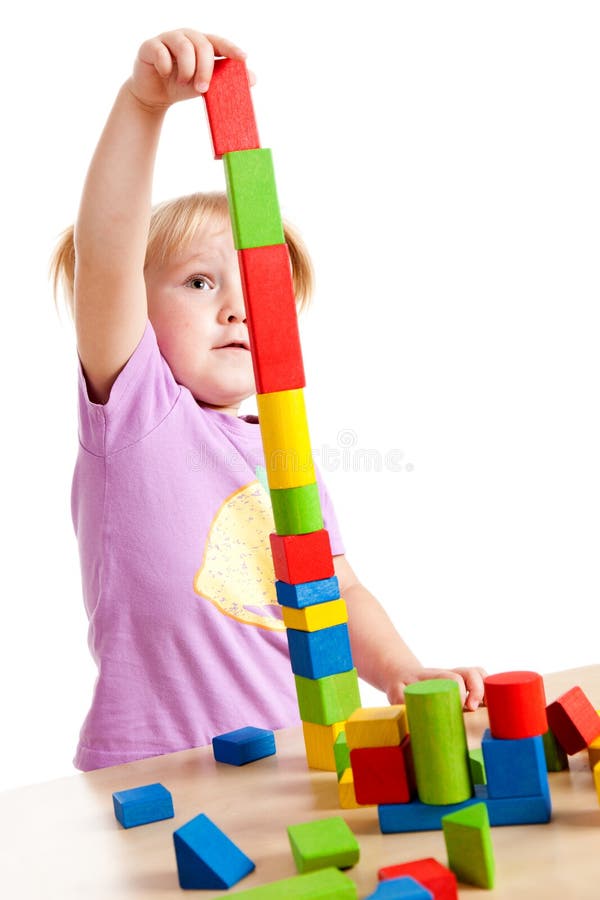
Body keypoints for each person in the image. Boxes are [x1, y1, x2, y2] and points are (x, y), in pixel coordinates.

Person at [51, 28, 486, 771]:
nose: (236, 310)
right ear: (140, 310)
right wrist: (142, 107)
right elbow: (105, 255)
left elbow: (337, 590)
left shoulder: (284, 450)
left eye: (260, 290)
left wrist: (403, 672)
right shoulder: (137, 415)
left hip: (300, 760)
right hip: (158, 764)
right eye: (198, 282)